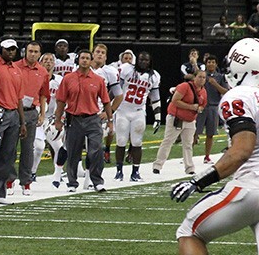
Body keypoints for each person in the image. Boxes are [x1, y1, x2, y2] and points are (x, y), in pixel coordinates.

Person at [168, 37, 259, 255]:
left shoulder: (239, 96)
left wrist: (198, 182)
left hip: (253, 186)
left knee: (190, 230)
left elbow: (242, 150)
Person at [54, 49, 112, 193]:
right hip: (74, 118)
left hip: (93, 118)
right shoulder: (68, 78)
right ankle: (72, 182)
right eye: (82, 58)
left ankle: (97, 181)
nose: (85, 60)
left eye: (87, 58)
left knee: (96, 150)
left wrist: (110, 119)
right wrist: (58, 120)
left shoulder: (98, 80)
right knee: (73, 151)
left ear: (91, 61)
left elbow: (106, 101)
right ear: (78, 60)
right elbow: (61, 101)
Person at [0, 38, 26, 202]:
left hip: (12, 115)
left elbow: (19, 98)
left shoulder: (17, 69)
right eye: (7, 49)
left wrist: (23, 122)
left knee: (8, 156)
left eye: (13, 49)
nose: (11, 52)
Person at [115, 51, 162, 182]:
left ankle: (135, 172)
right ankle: (119, 171)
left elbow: (155, 97)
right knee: (121, 141)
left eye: (146, 60)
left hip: (138, 111)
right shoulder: (126, 69)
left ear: (150, 62)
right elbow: (116, 89)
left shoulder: (154, 76)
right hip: (123, 109)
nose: (143, 62)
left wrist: (158, 117)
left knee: (137, 142)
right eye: (141, 59)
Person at [153, 70, 207, 175]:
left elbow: (203, 105)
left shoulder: (203, 91)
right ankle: (158, 165)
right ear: (194, 78)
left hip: (190, 120)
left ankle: (189, 167)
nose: (202, 79)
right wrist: (191, 107)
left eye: (204, 77)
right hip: (176, 118)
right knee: (168, 141)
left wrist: (199, 108)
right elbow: (175, 100)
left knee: (188, 144)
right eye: (200, 77)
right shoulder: (185, 86)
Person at [14, 40, 49, 193]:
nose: (33, 54)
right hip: (14, 110)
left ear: (40, 54)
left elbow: (43, 94)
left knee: (28, 149)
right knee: (9, 148)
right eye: (30, 51)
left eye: (36, 52)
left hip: (31, 111)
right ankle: (9, 181)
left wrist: (42, 114)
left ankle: (26, 181)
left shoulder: (43, 72)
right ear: (25, 52)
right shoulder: (15, 67)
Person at [37, 53, 67, 188]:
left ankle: (58, 174)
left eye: (51, 60)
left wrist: (60, 116)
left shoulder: (60, 80)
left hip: (52, 118)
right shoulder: (36, 77)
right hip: (37, 117)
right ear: (40, 62)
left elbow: (64, 99)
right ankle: (31, 173)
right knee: (37, 148)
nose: (48, 62)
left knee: (59, 147)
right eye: (45, 60)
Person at [196, 55, 229, 164]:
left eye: (213, 62)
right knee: (195, 132)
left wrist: (215, 84)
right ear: (206, 64)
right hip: (201, 106)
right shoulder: (202, 76)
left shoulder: (220, 77)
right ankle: (187, 155)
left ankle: (207, 156)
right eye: (209, 62)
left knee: (210, 133)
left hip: (214, 106)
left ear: (216, 64)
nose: (211, 64)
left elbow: (225, 91)